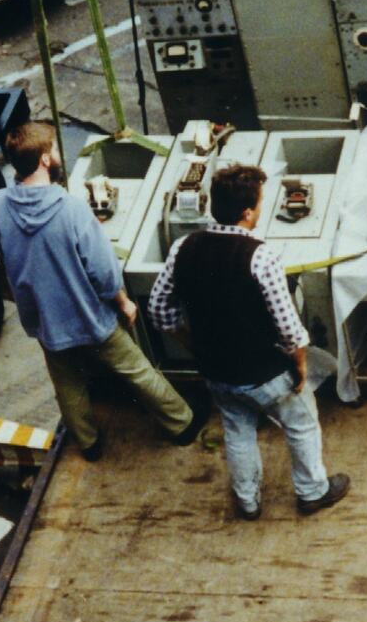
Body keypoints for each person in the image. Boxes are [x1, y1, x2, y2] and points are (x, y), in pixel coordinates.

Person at [0, 121, 206, 461]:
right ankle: (183, 424)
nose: (61, 156)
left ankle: (88, 443)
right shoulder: (71, 209)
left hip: (46, 320)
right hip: (88, 316)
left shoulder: (0, 203)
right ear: (46, 160)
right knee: (136, 370)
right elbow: (104, 270)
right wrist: (123, 302)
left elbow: (6, 252)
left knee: (67, 383)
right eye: (56, 151)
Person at [148, 163, 349, 522]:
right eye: (258, 205)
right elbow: (288, 327)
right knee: (301, 425)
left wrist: (193, 343)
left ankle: (248, 501)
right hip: (266, 371)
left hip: (216, 370)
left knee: (237, 430)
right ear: (246, 212)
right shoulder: (261, 256)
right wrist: (300, 364)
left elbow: (159, 310)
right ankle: (312, 492)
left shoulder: (183, 247)